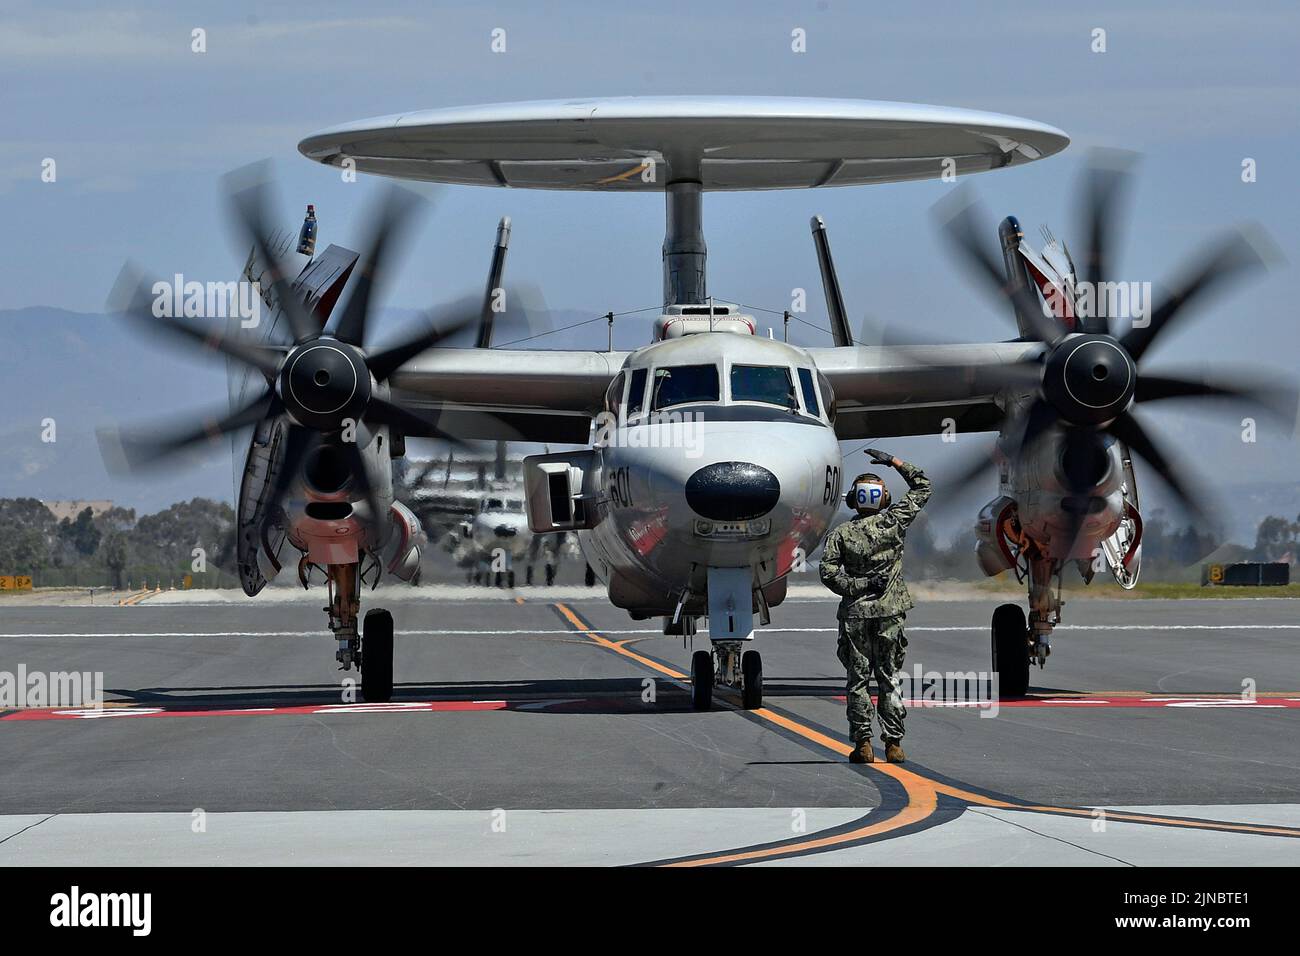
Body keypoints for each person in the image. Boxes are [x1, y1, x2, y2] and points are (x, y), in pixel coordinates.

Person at [819, 448, 932, 764]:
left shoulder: (841, 534)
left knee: (857, 681)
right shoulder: (895, 522)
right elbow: (923, 486)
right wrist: (896, 462)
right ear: (883, 500)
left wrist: (856, 586)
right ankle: (894, 744)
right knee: (889, 677)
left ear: (854, 500)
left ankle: (863, 745)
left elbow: (828, 571)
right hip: (890, 614)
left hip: (855, 615)